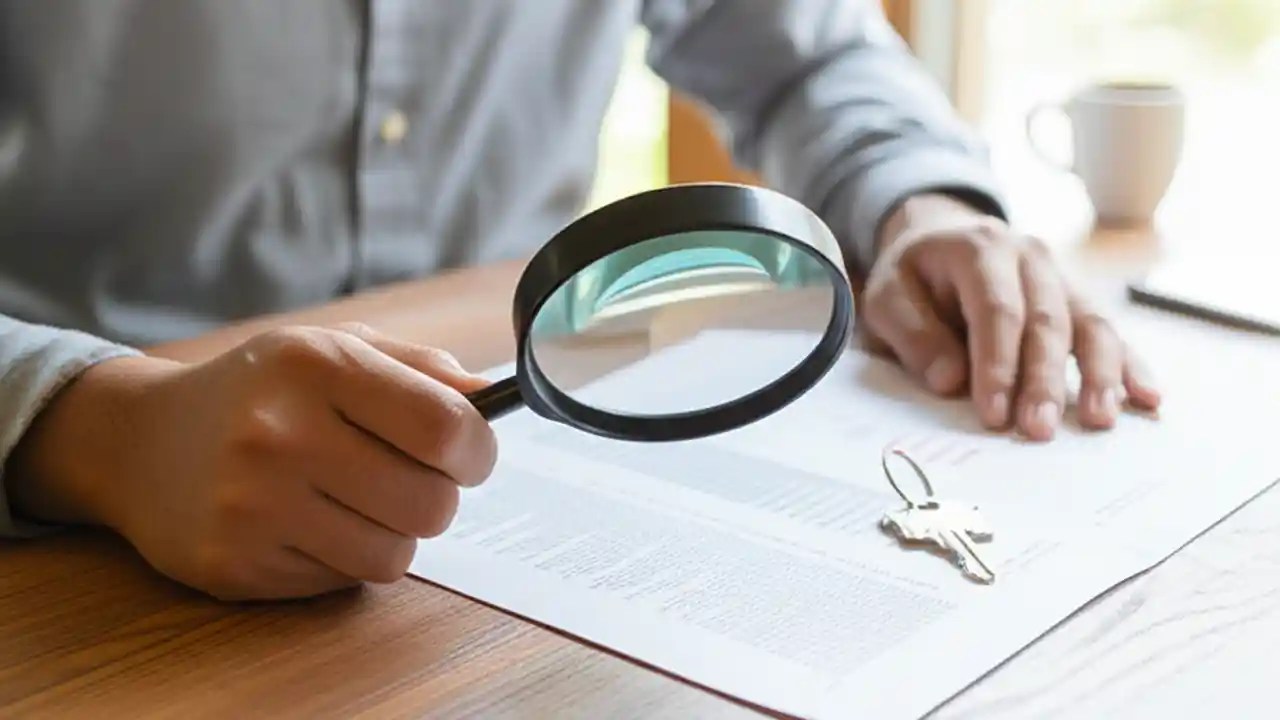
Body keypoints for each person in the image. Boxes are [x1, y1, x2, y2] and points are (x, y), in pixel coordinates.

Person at [0, 1, 1159, 601]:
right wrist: (89, 422)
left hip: (498, 519)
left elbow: (806, 56)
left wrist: (925, 205)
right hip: (69, 555)